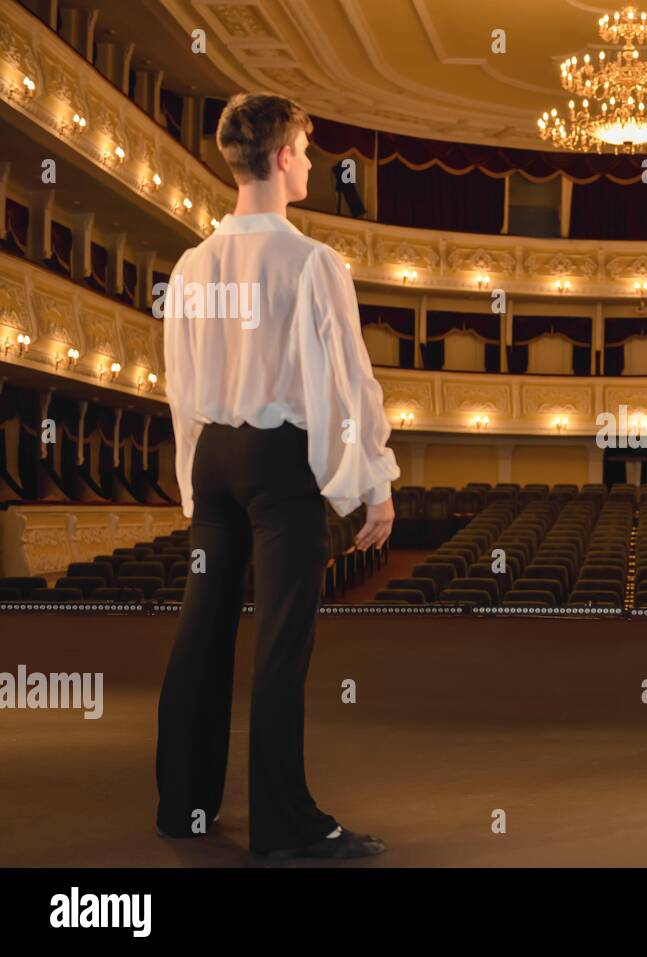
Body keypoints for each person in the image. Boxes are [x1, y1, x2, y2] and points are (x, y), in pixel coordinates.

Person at [155, 92, 400, 858]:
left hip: (214, 456)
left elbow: (180, 381)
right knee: (281, 642)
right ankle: (284, 826)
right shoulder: (311, 261)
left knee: (200, 634)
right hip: (278, 460)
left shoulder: (194, 263)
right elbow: (345, 381)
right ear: (285, 155)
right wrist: (371, 480)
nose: (311, 161)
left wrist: (196, 485)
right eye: (305, 147)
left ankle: (184, 807)